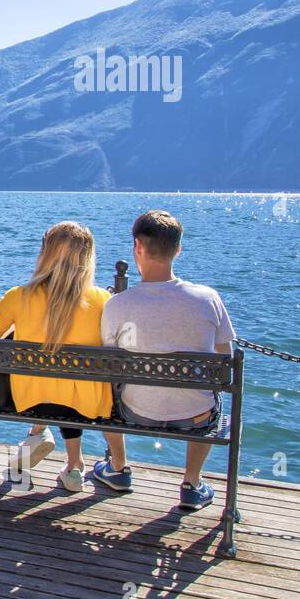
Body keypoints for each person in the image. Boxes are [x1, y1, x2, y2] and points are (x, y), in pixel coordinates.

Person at [94, 210, 235, 511]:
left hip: (134, 413)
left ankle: (118, 469)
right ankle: (192, 483)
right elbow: (226, 360)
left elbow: (110, 365)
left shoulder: (117, 305)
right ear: (178, 249)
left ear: (137, 247)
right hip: (196, 416)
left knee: (107, 392)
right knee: (209, 399)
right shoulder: (208, 298)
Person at [0, 222, 112, 491]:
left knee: (50, 383)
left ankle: (38, 437)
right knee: (70, 385)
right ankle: (74, 465)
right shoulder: (102, 300)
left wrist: (14, 332)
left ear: (45, 254)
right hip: (88, 406)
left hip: (29, 400)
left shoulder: (19, 297)